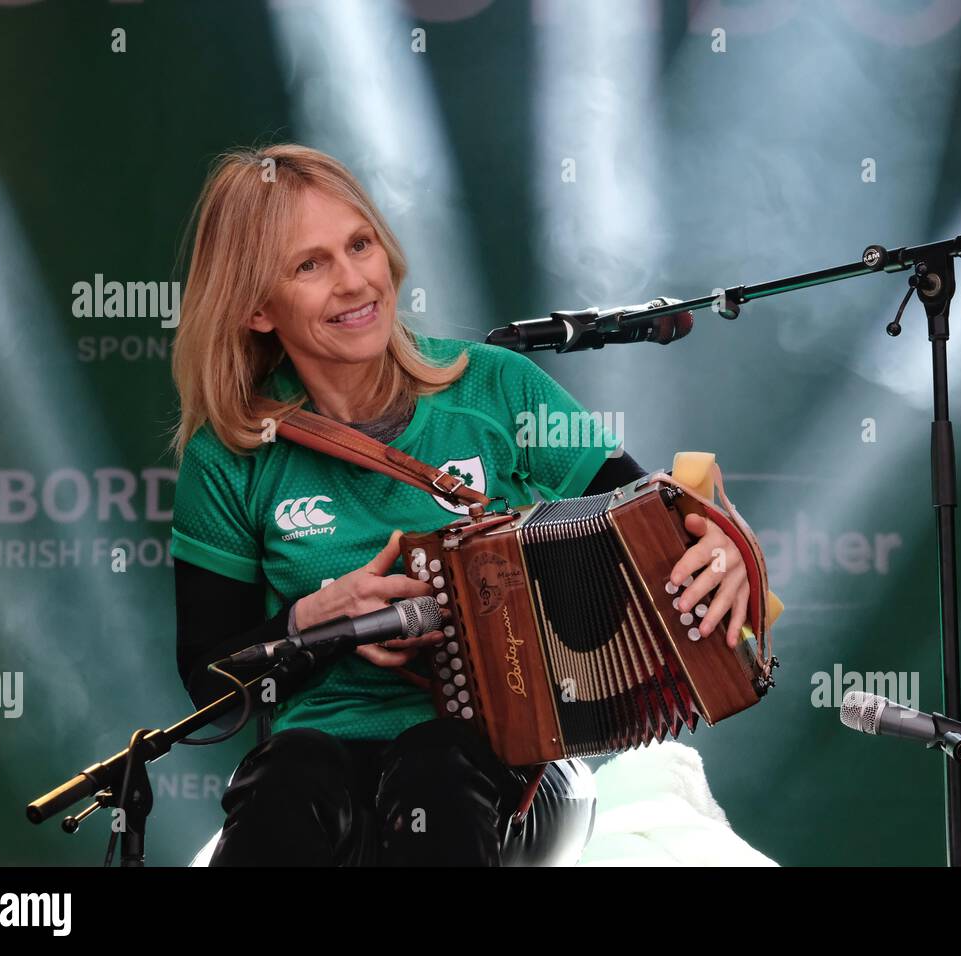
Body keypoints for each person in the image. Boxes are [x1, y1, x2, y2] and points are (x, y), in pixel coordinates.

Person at [168, 143, 752, 866]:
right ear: (257, 307)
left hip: (523, 760)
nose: (355, 282)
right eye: (310, 265)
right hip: (325, 761)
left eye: (361, 244)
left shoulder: (497, 386)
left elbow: (655, 518)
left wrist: (723, 543)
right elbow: (209, 683)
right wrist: (307, 621)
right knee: (285, 781)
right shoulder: (229, 453)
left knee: (438, 763)